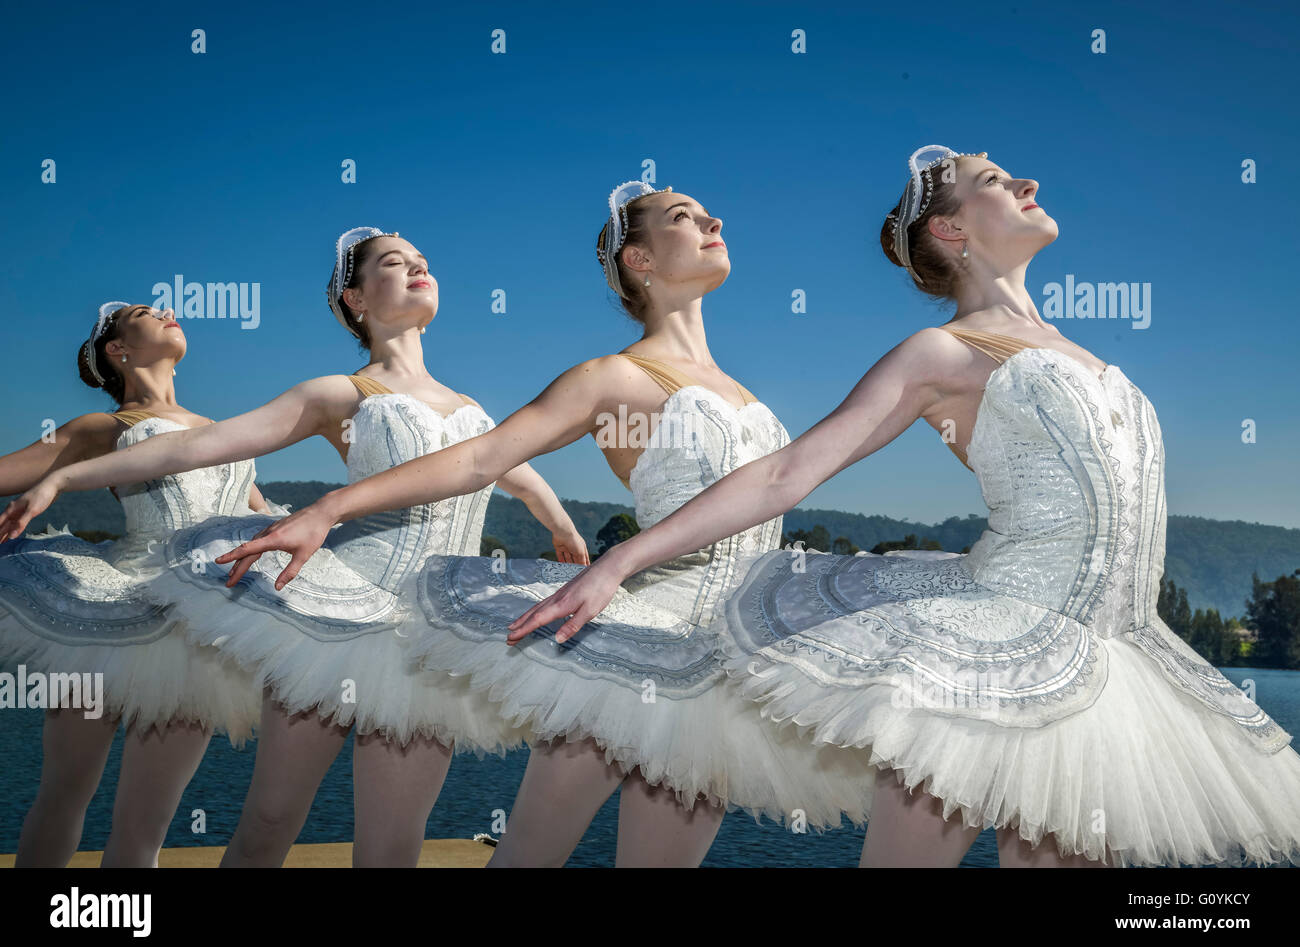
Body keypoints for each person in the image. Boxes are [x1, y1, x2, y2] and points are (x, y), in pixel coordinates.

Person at [506, 146, 1300, 868]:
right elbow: (787, 474)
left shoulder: (1085, 353)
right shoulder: (942, 354)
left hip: (1116, 660)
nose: (1027, 182)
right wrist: (622, 559)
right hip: (988, 644)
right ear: (951, 230)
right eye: (995, 180)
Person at [189, 183, 873, 867]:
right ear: (640, 258)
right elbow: (484, 457)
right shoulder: (609, 376)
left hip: (730, 652)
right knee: (527, 857)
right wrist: (328, 507)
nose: (713, 220)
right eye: (683, 218)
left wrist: (559, 522)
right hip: (628, 649)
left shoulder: (748, 396)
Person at [0, 233, 585, 866]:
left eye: (423, 260)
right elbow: (192, 449)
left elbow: (504, 467)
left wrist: (563, 526)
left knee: (393, 843)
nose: (418, 266)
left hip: (434, 628)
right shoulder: (336, 393)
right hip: (330, 621)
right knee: (273, 815)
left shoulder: (472, 410)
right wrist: (61, 477)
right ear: (355, 299)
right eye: (394, 262)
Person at [0, 301, 270, 866]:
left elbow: (261, 518)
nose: (170, 310)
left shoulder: (224, 434)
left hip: (199, 629)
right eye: (148, 312)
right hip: (102, 618)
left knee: (146, 825)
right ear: (117, 351)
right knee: (64, 793)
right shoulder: (103, 428)